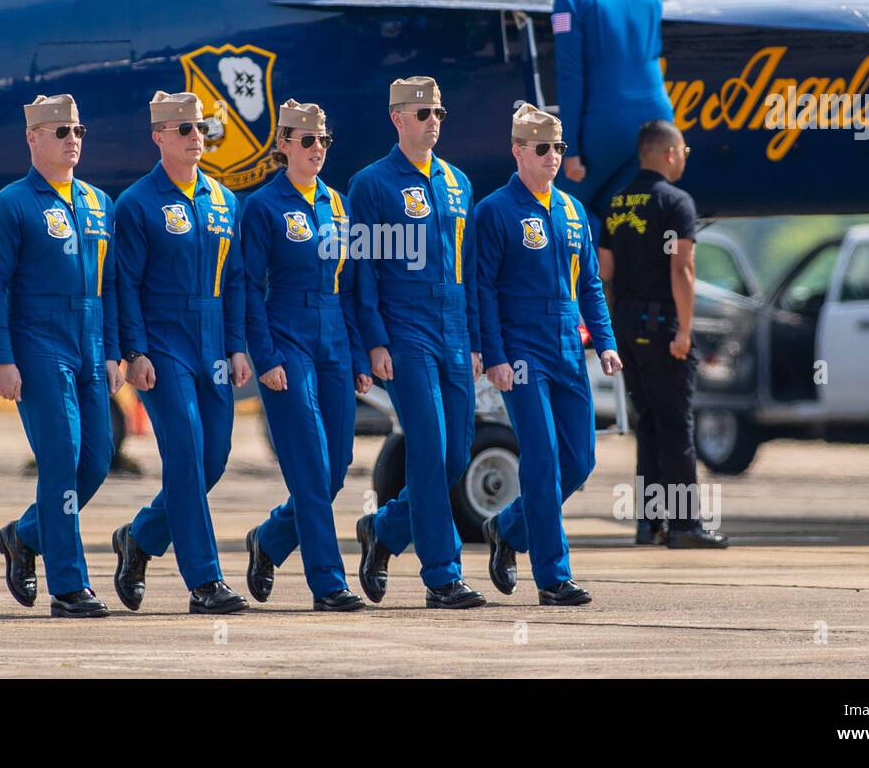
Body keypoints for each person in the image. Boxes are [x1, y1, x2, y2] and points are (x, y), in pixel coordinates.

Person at [0, 93, 122, 619]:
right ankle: (69, 585)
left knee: (97, 459)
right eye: (61, 133)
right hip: (38, 343)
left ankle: (24, 535)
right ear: (33, 138)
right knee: (60, 460)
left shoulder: (100, 204)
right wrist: (1, 359)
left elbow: (111, 286)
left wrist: (114, 352)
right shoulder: (8, 206)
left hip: (89, 341)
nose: (72, 141)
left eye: (78, 132)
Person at [109, 91, 254, 614]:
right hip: (164, 345)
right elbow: (124, 283)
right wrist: (134, 351)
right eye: (185, 130)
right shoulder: (137, 204)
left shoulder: (222, 200)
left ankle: (141, 538)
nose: (197, 138)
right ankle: (205, 580)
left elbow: (235, 279)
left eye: (201, 130)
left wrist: (237, 346)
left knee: (212, 459)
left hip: (212, 340)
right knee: (187, 458)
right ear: (159, 137)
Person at [475, 104, 623, 604]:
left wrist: (605, 343)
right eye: (542, 149)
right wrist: (492, 354)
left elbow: (591, 288)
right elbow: (484, 290)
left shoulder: (573, 211)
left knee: (579, 461)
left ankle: (508, 529)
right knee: (540, 457)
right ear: (518, 151)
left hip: (566, 347)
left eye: (558, 148)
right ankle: (553, 577)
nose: (553, 157)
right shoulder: (495, 211)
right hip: (521, 352)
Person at [349, 76, 487, 610]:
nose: (434, 122)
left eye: (439, 113)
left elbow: (468, 268)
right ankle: (442, 574)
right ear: (397, 119)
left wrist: (474, 338)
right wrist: (374, 339)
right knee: (427, 449)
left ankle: (383, 530)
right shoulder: (372, 185)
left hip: (453, 327)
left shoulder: (458, 183)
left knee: (454, 456)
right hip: (404, 328)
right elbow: (362, 271)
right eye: (423, 113)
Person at [240, 99, 371, 612]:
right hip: (287, 333)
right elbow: (249, 287)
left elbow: (353, 287)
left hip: (334, 335)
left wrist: (359, 355)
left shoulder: (338, 205)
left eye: (324, 141)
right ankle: (327, 581)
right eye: (308, 141)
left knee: (338, 464)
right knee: (311, 466)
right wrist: (265, 354)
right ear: (285, 146)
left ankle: (270, 541)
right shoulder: (263, 207)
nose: (318, 149)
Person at [597, 119, 728, 548]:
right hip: (662, 327)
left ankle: (648, 522)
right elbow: (682, 268)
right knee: (675, 426)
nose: (685, 156)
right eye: (684, 150)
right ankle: (686, 526)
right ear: (669, 153)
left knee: (649, 426)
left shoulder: (616, 203)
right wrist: (684, 331)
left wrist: (613, 331)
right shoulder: (675, 203)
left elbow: (605, 273)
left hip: (627, 326)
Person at [555, 0, 675, 226]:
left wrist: (571, 150)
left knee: (559, 211)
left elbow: (570, 77)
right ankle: (624, 272)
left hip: (604, 126)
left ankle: (596, 273)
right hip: (657, 122)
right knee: (627, 215)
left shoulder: (570, 2)